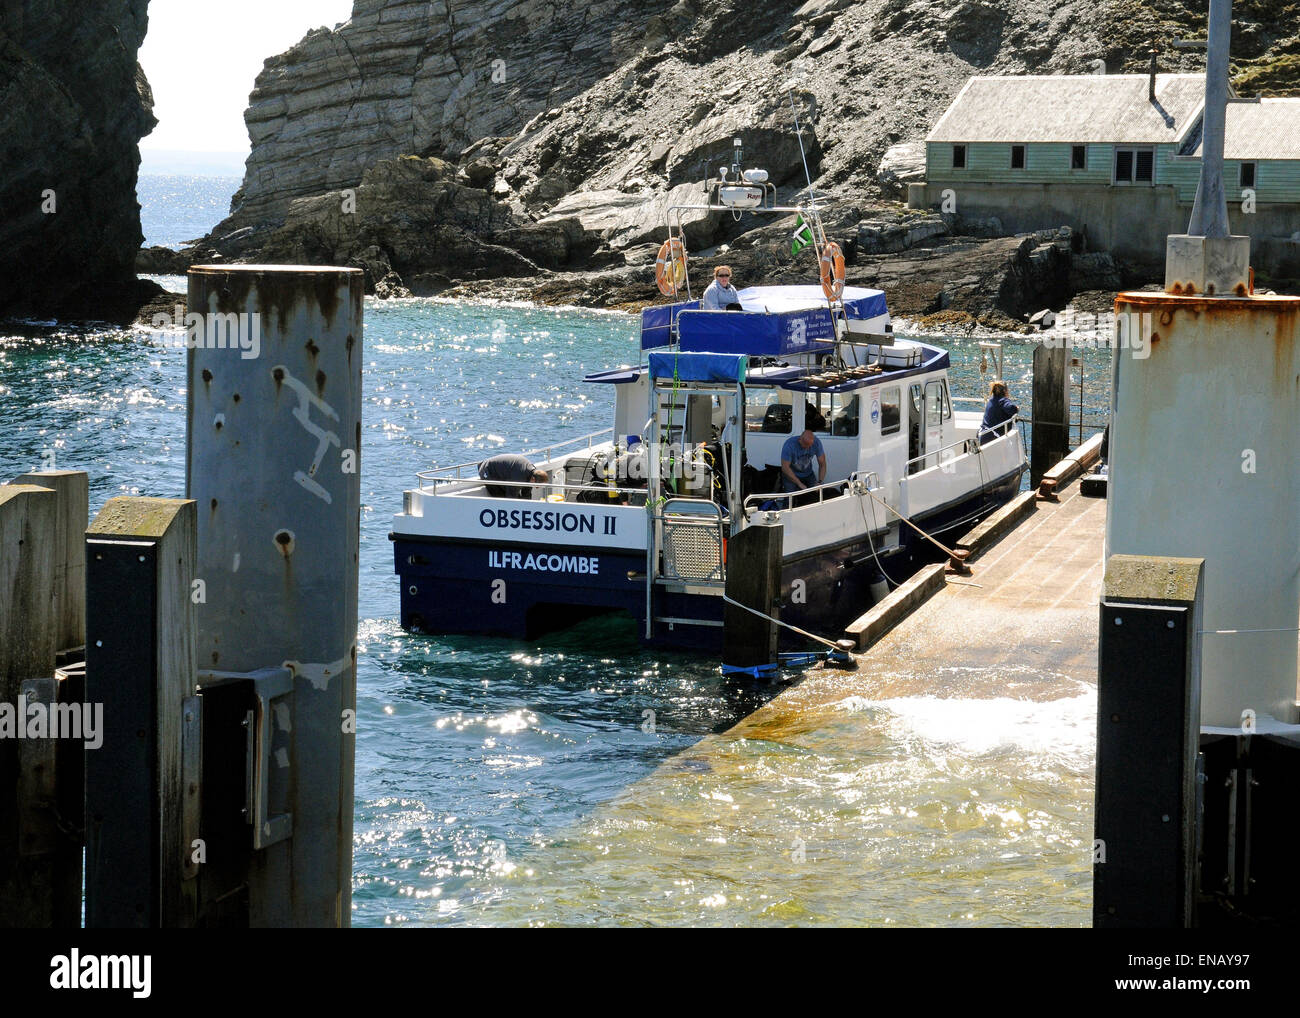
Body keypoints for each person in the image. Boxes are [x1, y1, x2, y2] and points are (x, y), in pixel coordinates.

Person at [780, 429, 826, 507]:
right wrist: (799, 484)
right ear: (800, 440)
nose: (807, 448)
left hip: (808, 473)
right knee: (789, 499)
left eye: (810, 445)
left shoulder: (816, 442)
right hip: (791, 475)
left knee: (816, 495)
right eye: (805, 445)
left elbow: (822, 464)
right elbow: (785, 468)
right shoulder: (789, 445)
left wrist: (820, 482)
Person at [478, 453, 548, 499]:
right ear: (533, 479)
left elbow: (526, 493)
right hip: (487, 470)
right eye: (537, 486)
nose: (537, 487)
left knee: (519, 497)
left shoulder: (531, 471)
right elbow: (511, 498)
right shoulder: (519, 477)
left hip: (504, 473)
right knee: (502, 497)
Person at [980, 380, 1018, 444]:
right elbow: (1012, 408)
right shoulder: (1003, 401)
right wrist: (1017, 408)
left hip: (983, 434)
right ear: (1005, 391)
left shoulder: (991, 400)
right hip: (993, 437)